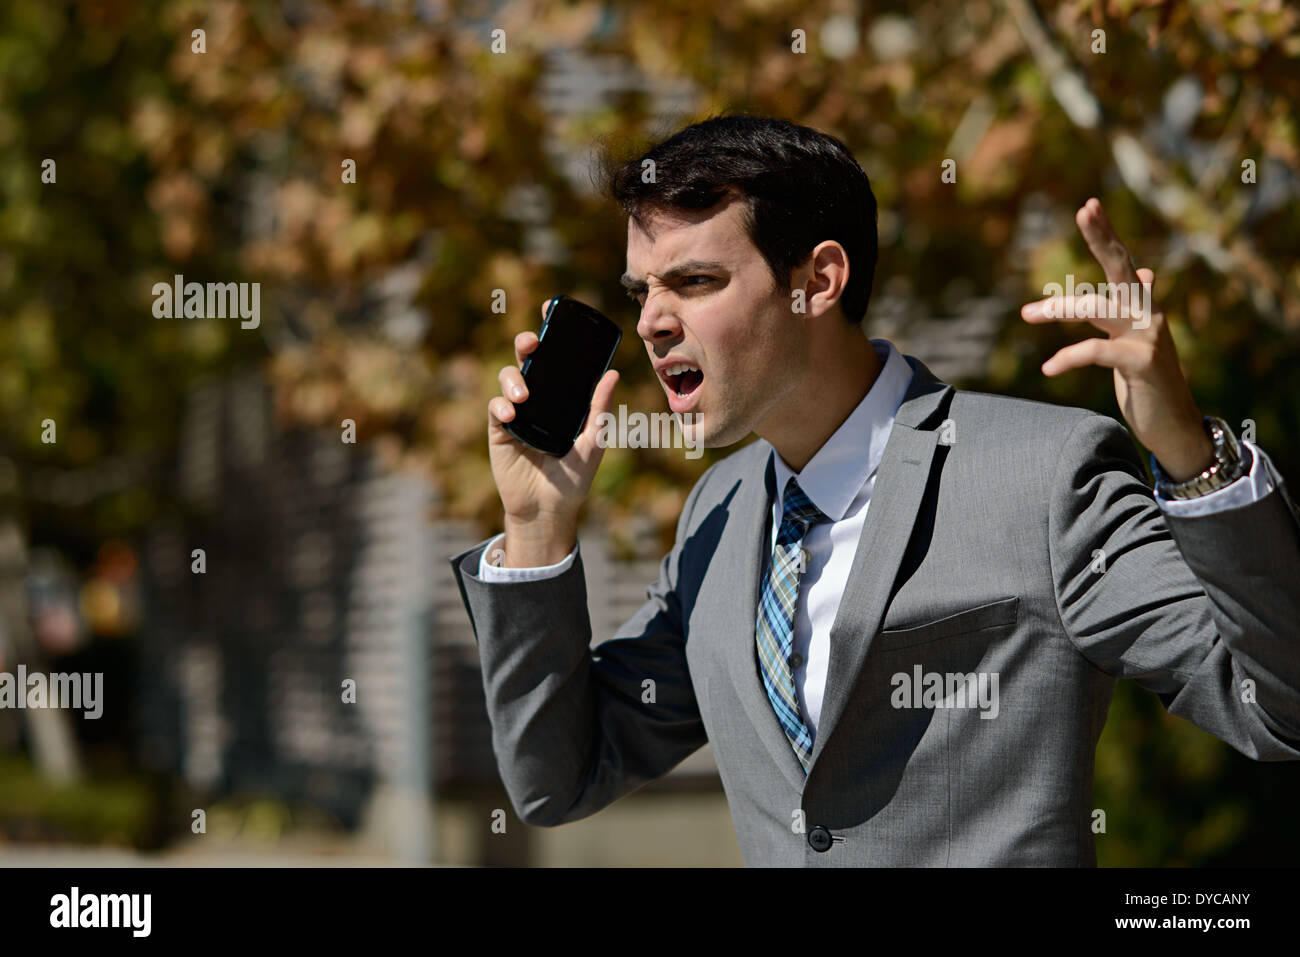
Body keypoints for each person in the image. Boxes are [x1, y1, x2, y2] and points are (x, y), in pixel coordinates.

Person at [449, 114, 1300, 866]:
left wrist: (1191, 454)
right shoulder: (719, 511)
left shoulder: (1042, 475)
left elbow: (1276, 708)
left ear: (817, 280)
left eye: (695, 282)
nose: (650, 321)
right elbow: (558, 779)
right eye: (644, 291)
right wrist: (535, 532)